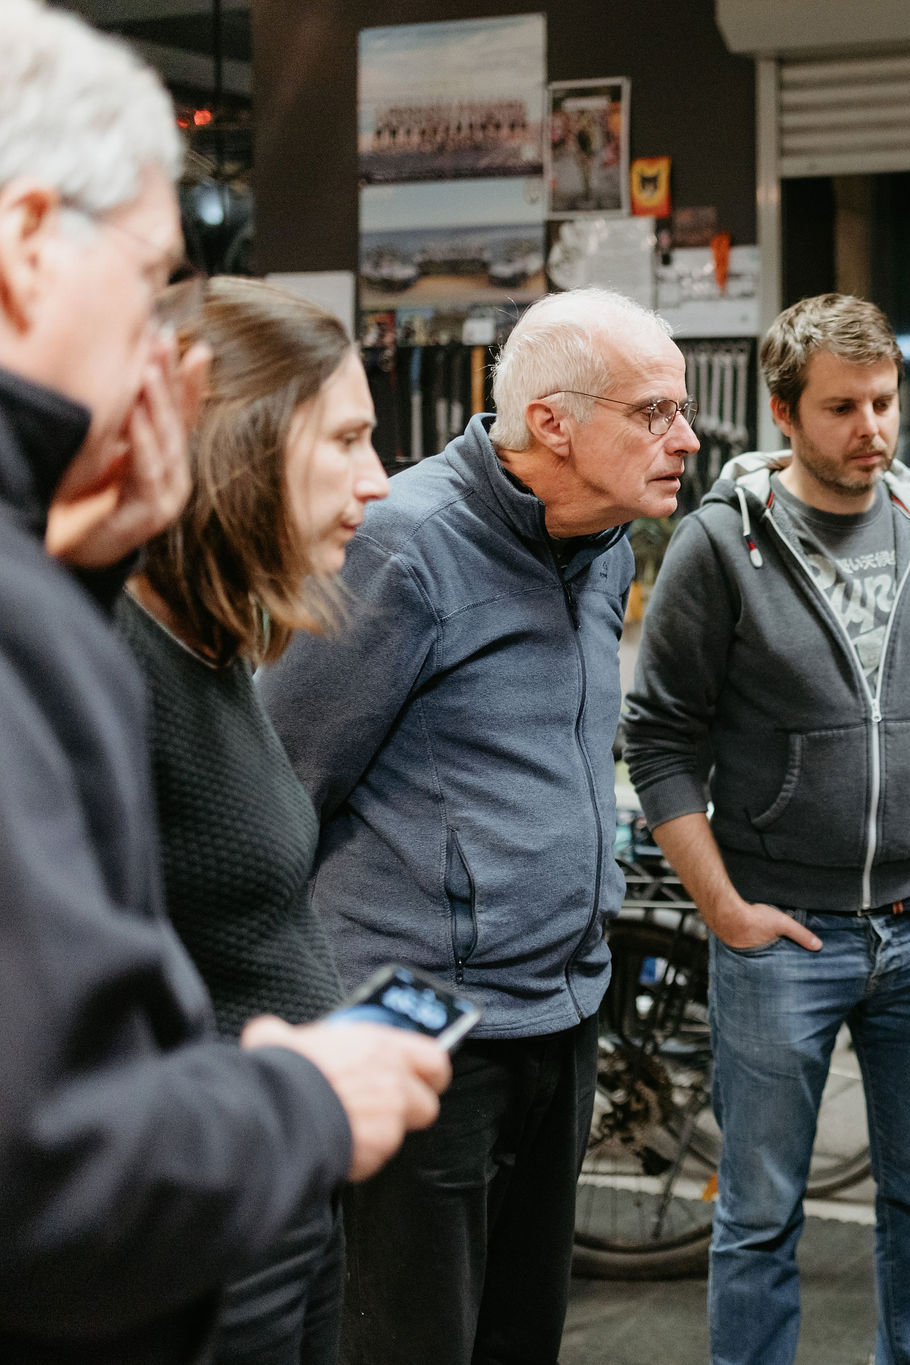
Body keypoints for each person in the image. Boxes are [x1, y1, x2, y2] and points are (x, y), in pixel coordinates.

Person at [0, 4, 450, 1361]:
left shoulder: (77, 604)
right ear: (28, 245)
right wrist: (304, 1100)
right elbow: (46, 1161)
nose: (157, 345)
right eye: (147, 281)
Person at [258, 286, 697, 1365]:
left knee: (519, 1335)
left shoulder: (602, 548)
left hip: (561, 1010)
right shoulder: (400, 548)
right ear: (551, 422)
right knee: (410, 1342)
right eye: (652, 412)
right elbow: (280, 786)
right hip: (425, 1030)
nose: (684, 439)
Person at [623, 293, 910, 1365]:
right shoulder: (719, 548)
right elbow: (658, 744)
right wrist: (721, 905)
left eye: (883, 402)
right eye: (842, 408)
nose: (871, 429)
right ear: (784, 413)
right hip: (781, 933)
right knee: (758, 1215)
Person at [114, 277, 393, 1365]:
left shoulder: (216, 644)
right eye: (349, 442)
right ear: (246, 447)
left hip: (281, 1175)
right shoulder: (111, 663)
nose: (376, 483)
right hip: (199, 1211)